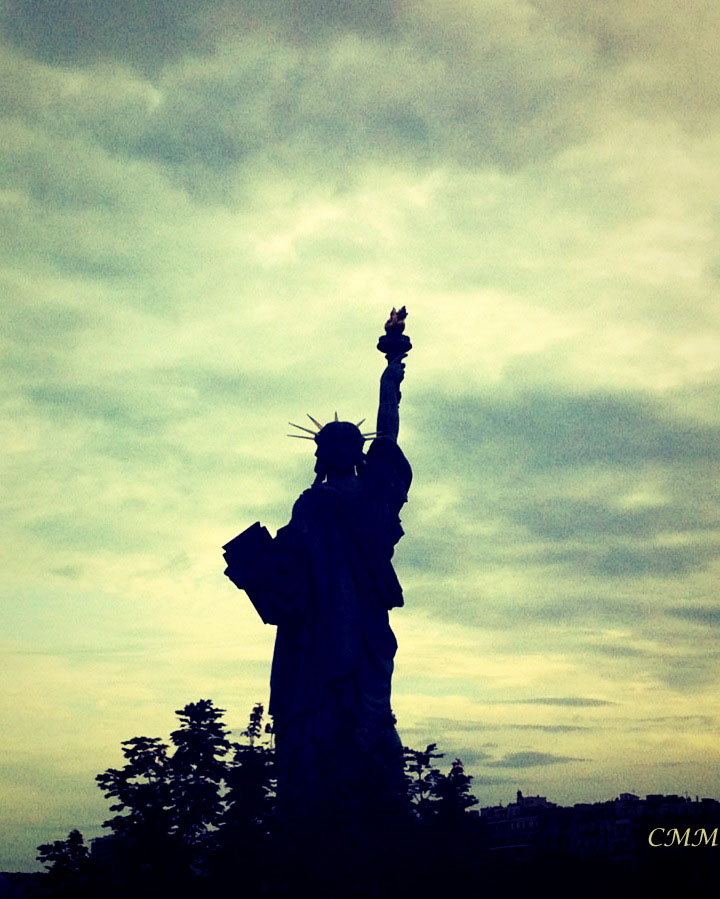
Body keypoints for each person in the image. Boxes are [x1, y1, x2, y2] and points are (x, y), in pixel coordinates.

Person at [224, 354, 411, 832]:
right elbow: (389, 435)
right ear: (358, 454)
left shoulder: (313, 505)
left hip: (318, 644)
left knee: (319, 727)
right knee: (371, 721)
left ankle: (320, 813)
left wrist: (253, 566)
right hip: (366, 635)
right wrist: (390, 375)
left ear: (321, 456)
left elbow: (287, 582)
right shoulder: (376, 496)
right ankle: (376, 809)